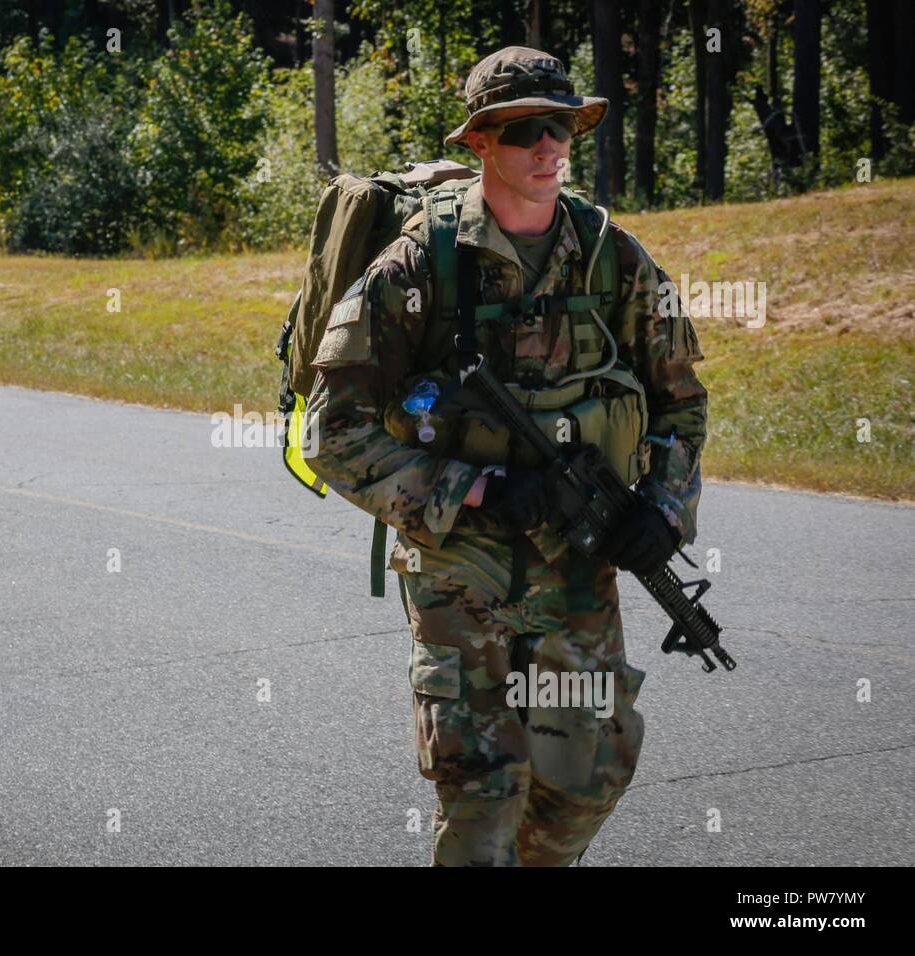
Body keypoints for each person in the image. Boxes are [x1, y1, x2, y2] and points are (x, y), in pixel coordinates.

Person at [302, 47, 708, 865]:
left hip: (578, 559)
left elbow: (681, 403)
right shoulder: (419, 265)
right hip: (462, 567)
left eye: (561, 128)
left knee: (586, 777)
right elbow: (334, 435)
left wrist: (661, 513)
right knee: (485, 786)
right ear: (483, 142)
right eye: (526, 130)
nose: (549, 148)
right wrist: (477, 489)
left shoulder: (612, 256)